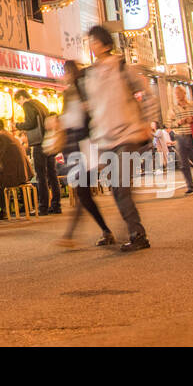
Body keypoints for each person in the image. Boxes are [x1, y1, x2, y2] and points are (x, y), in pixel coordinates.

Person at [82, 26, 154, 251]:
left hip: (128, 134)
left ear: (104, 43)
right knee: (116, 187)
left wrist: (148, 124)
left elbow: (148, 97)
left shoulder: (123, 66)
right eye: (89, 42)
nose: (91, 45)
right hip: (104, 139)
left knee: (121, 186)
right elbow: (94, 108)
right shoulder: (90, 74)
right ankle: (133, 229)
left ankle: (137, 234)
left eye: (94, 41)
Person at [55, 60, 115, 249]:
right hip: (76, 147)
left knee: (83, 192)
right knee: (83, 193)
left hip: (84, 146)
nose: (65, 76)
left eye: (66, 72)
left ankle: (74, 233)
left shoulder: (82, 90)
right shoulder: (70, 92)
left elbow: (83, 118)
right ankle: (103, 231)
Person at [14, 88, 61, 215]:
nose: (20, 105)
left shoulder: (28, 104)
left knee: (41, 175)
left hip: (39, 143)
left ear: (21, 98)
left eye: (19, 102)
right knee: (52, 174)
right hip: (48, 142)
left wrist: (18, 125)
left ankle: (43, 206)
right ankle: (56, 205)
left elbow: (30, 123)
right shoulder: (40, 104)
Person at [166, 84, 193, 194]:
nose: (178, 95)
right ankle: (190, 186)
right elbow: (169, 123)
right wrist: (179, 122)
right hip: (180, 137)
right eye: (176, 93)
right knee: (183, 164)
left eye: (180, 93)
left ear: (185, 93)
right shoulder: (173, 108)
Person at [0, 117, 29, 210]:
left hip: (15, 175)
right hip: (22, 173)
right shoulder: (8, 134)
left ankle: (2, 210)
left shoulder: (1, 137)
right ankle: (4, 209)